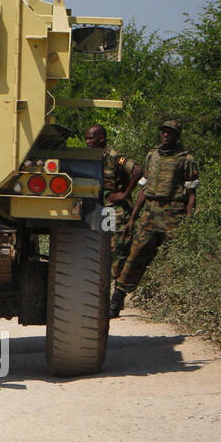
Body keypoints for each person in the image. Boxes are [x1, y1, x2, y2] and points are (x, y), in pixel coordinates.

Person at [110, 120, 199, 317]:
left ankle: (178, 305)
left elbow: (191, 193)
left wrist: (189, 221)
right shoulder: (152, 155)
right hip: (150, 213)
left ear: (177, 136)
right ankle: (117, 300)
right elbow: (144, 188)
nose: (166, 135)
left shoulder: (186, 160)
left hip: (173, 214)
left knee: (175, 260)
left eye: (171, 133)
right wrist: (133, 218)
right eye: (164, 132)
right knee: (135, 255)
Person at [84, 124, 142, 294]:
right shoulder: (93, 157)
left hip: (116, 211)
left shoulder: (115, 157)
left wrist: (124, 193)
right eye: (86, 138)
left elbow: (137, 170)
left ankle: (117, 296)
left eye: (91, 138)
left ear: (101, 139)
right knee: (101, 251)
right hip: (100, 210)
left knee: (116, 253)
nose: (88, 142)